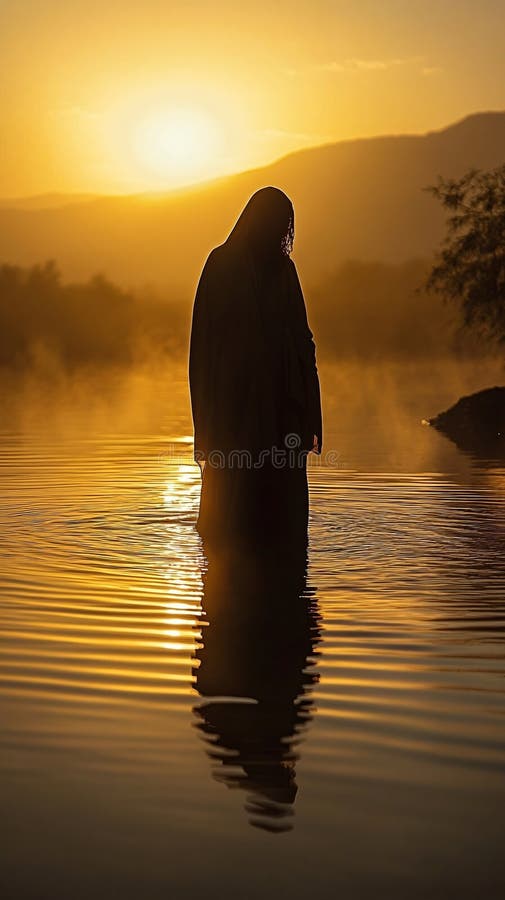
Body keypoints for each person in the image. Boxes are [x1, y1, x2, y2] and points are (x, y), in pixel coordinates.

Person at [189, 186, 322, 549]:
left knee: (282, 520)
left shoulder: (285, 271)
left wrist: (311, 417)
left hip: (283, 413)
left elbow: (302, 341)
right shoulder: (222, 266)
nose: (282, 234)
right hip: (235, 414)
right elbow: (203, 347)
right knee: (231, 514)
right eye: (277, 224)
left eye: (286, 226)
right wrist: (205, 427)